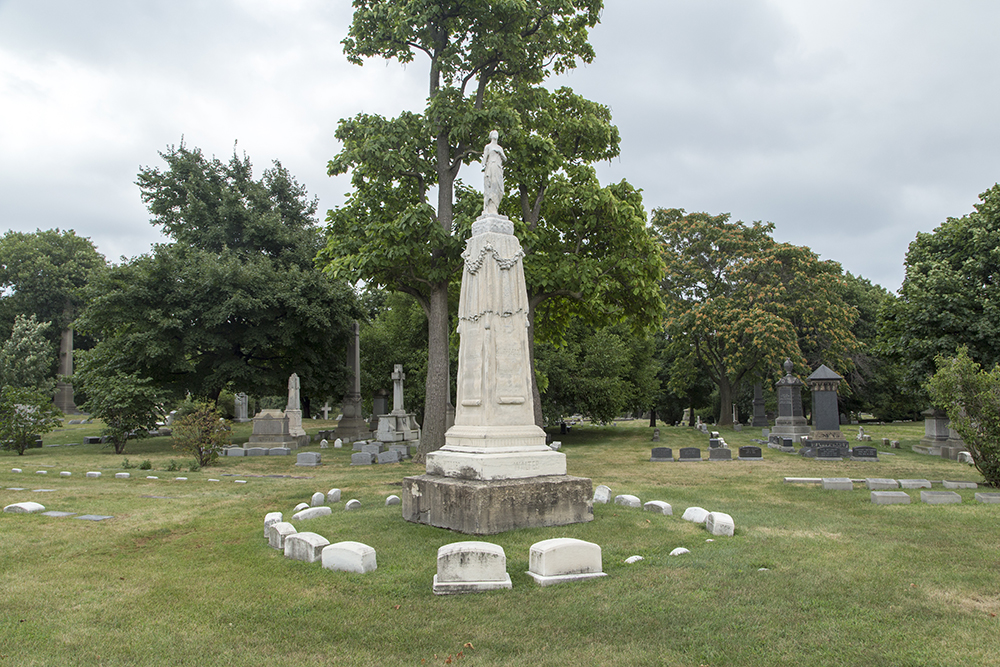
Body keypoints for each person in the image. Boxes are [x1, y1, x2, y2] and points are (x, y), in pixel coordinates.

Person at [482, 130, 506, 215]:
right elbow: (484, 159)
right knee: (492, 185)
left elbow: (505, 158)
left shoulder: (499, 148)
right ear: (491, 136)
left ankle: (495, 207)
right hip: (491, 167)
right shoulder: (488, 146)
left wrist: (499, 152)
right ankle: (490, 208)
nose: (496, 135)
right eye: (494, 133)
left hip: (498, 168)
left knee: (499, 188)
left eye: (497, 133)